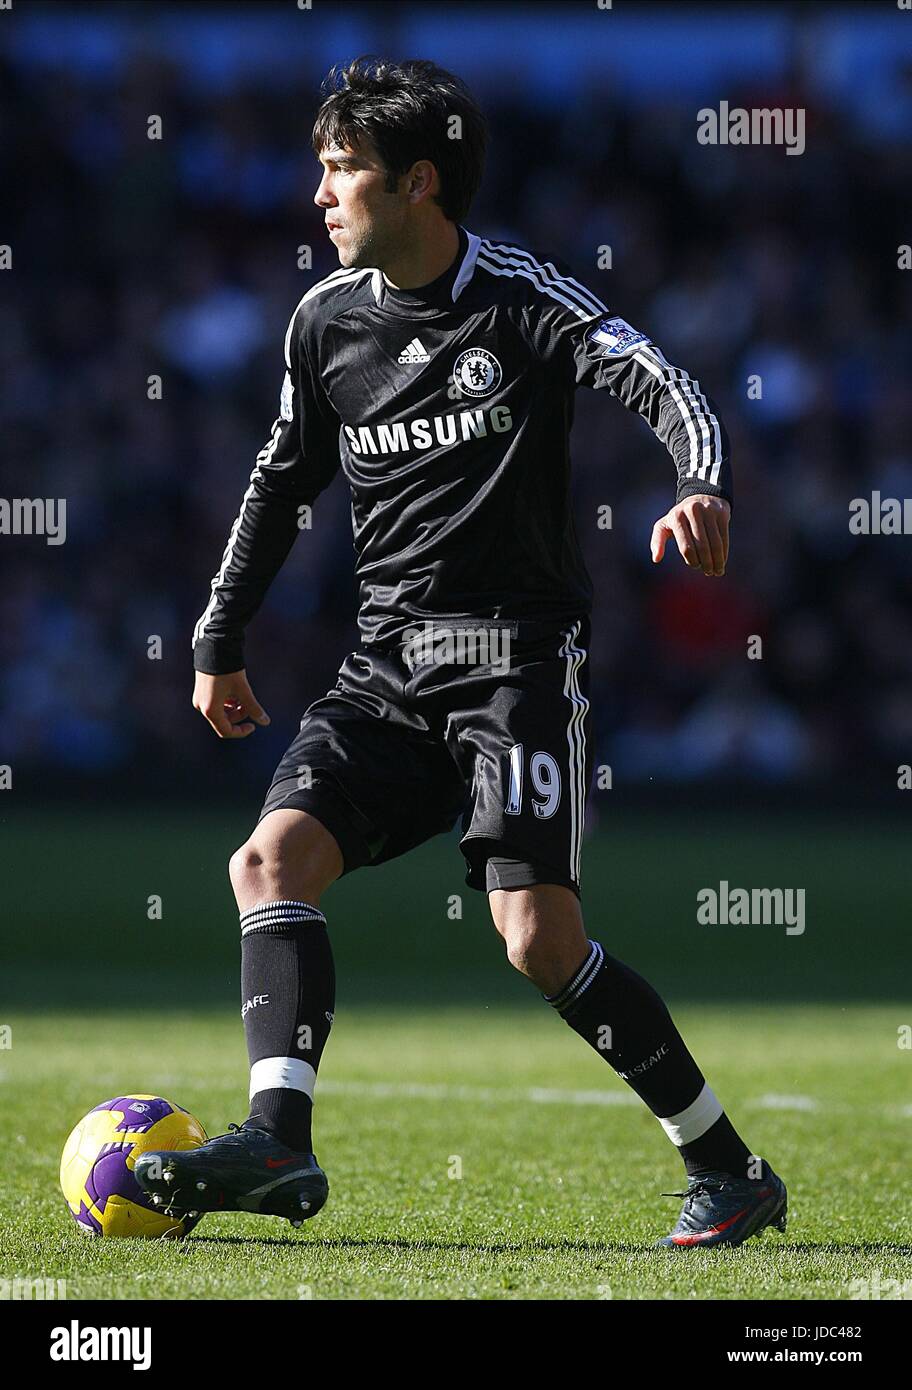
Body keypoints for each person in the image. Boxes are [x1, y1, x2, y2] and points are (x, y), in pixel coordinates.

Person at [137, 56, 786, 1248]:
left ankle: (727, 1166)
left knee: (537, 940)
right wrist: (219, 638)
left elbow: (663, 380)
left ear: (418, 183)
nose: (318, 193)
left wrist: (701, 481)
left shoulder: (522, 298)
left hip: (516, 666)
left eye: (343, 169)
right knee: (269, 862)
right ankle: (278, 1139)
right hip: (385, 670)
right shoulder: (325, 322)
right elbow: (280, 483)